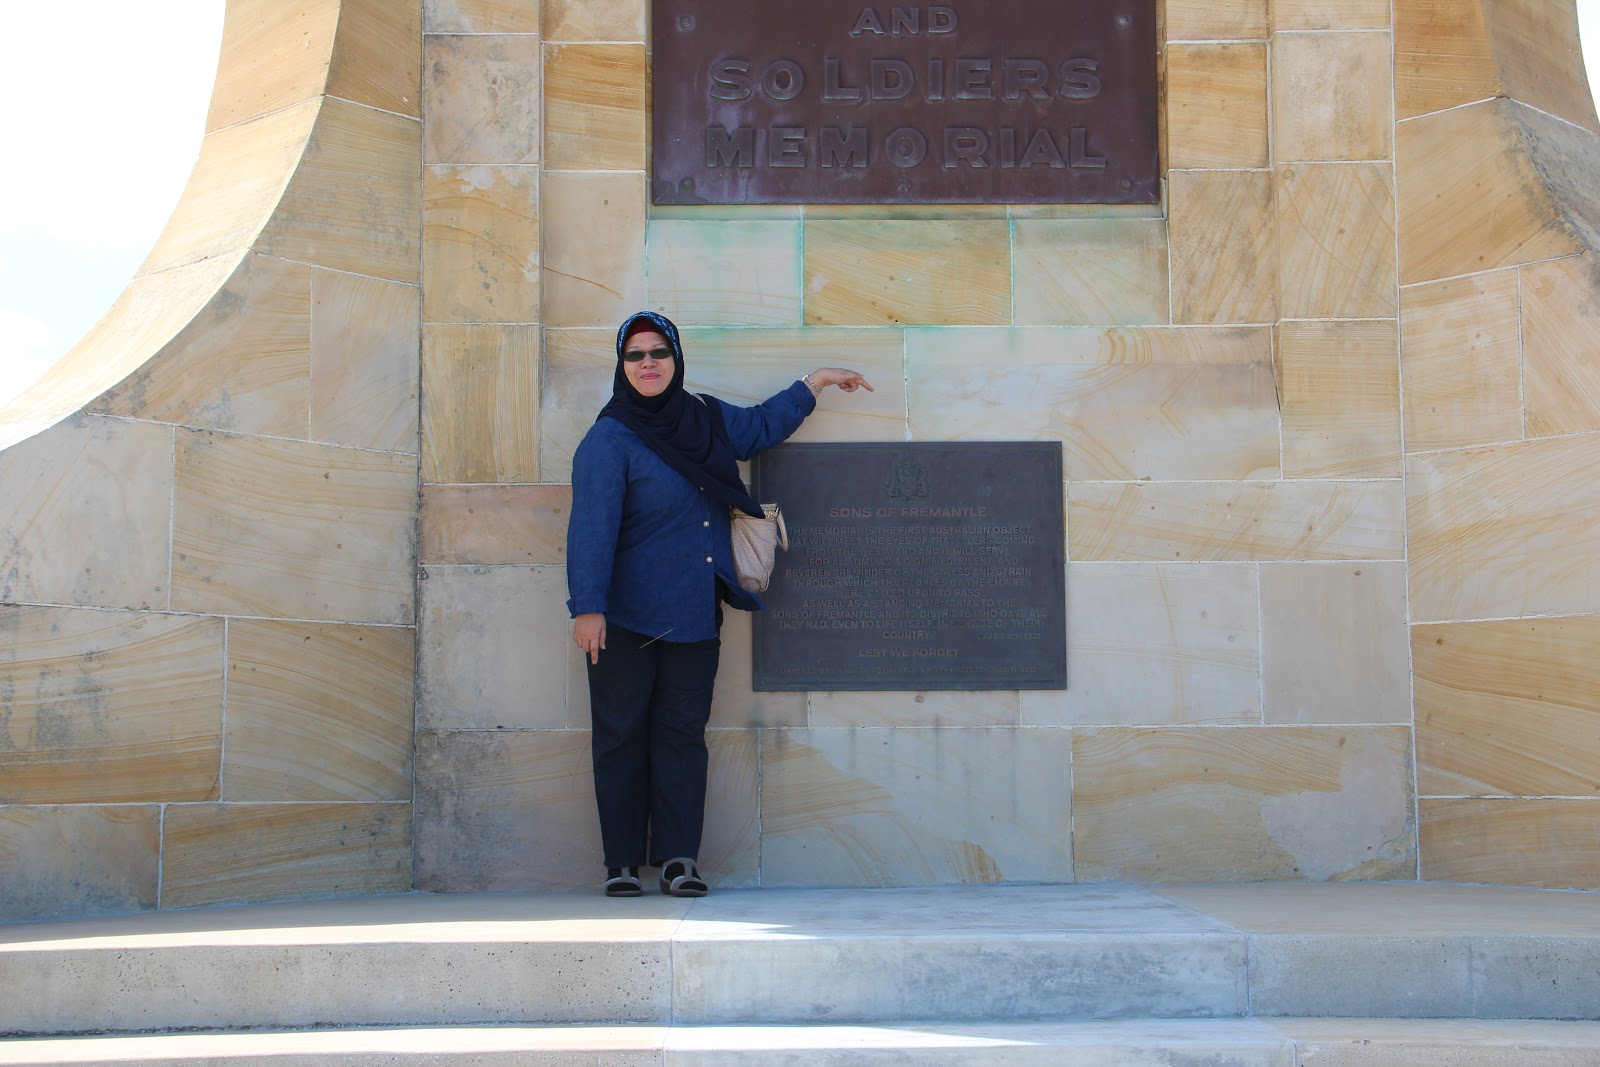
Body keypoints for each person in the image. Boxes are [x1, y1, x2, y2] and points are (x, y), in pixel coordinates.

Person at [566, 311, 872, 898]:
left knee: (682, 736)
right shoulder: (609, 440)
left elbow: (759, 427)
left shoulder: (703, 418)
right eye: (635, 355)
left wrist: (814, 383)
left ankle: (680, 860)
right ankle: (623, 863)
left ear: (677, 358)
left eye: (658, 352)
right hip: (622, 620)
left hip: (693, 611)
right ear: (621, 366)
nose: (648, 363)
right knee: (621, 735)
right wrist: (588, 608)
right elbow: (591, 531)